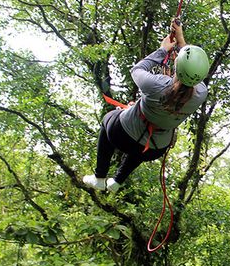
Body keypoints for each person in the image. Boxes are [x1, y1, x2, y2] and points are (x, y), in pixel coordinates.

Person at [82, 21, 209, 192]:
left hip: (122, 134)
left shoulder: (156, 84)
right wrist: (181, 40)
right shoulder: (201, 93)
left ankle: (100, 177)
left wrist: (162, 50)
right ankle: (117, 181)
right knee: (140, 147)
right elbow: (191, 69)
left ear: (177, 66)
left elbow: (137, 69)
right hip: (154, 150)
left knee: (108, 119)